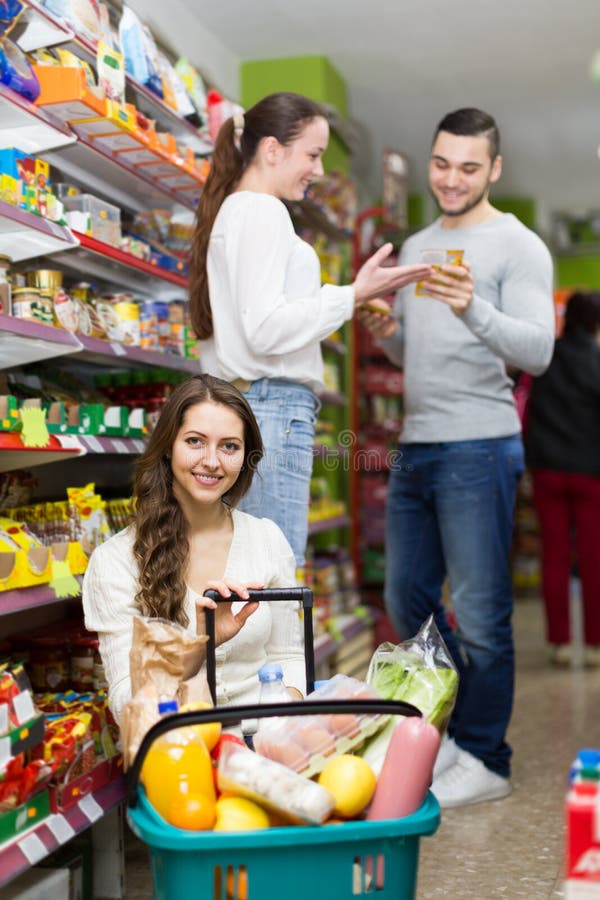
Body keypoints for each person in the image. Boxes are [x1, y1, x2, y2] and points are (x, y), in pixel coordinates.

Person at [359, 108, 555, 807]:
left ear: (494, 170)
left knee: (480, 614)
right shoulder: (416, 241)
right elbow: (415, 355)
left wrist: (474, 306)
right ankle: (443, 734)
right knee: (403, 597)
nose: (451, 178)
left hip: (479, 445)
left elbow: (537, 350)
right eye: (441, 163)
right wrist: (385, 333)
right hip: (417, 446)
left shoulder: (518, 247)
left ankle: (486, 755)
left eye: (468, 167)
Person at [188, 91, 431, 566]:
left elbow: (256, 321)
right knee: (273, 577)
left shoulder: (239, 210)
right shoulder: (261, 210)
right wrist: (350, 295)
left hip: (256, 404)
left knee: (253, 572)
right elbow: (264, 329)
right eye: (313, 155)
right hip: (271, 410)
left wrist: (345, 300)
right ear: (273, 149)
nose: (318, 171)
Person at [82, 374, 306, 725]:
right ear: (169, 445)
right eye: (195, 441)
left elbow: (290, 656)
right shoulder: (116, 561)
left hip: (269, 747)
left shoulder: (267, 540)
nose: (212, 461)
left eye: (229, 446)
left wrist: (277, 727)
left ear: (246, 455)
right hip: (181, 756)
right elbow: (128, 705)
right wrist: (198, 645)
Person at [524, 291, 600, 667]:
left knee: (554, 555)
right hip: (592, 474)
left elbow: (529, 410)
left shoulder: (545, 358)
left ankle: (560, 643)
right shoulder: (598, 360)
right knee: (594, 559)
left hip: (548, 471)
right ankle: (595, 646)